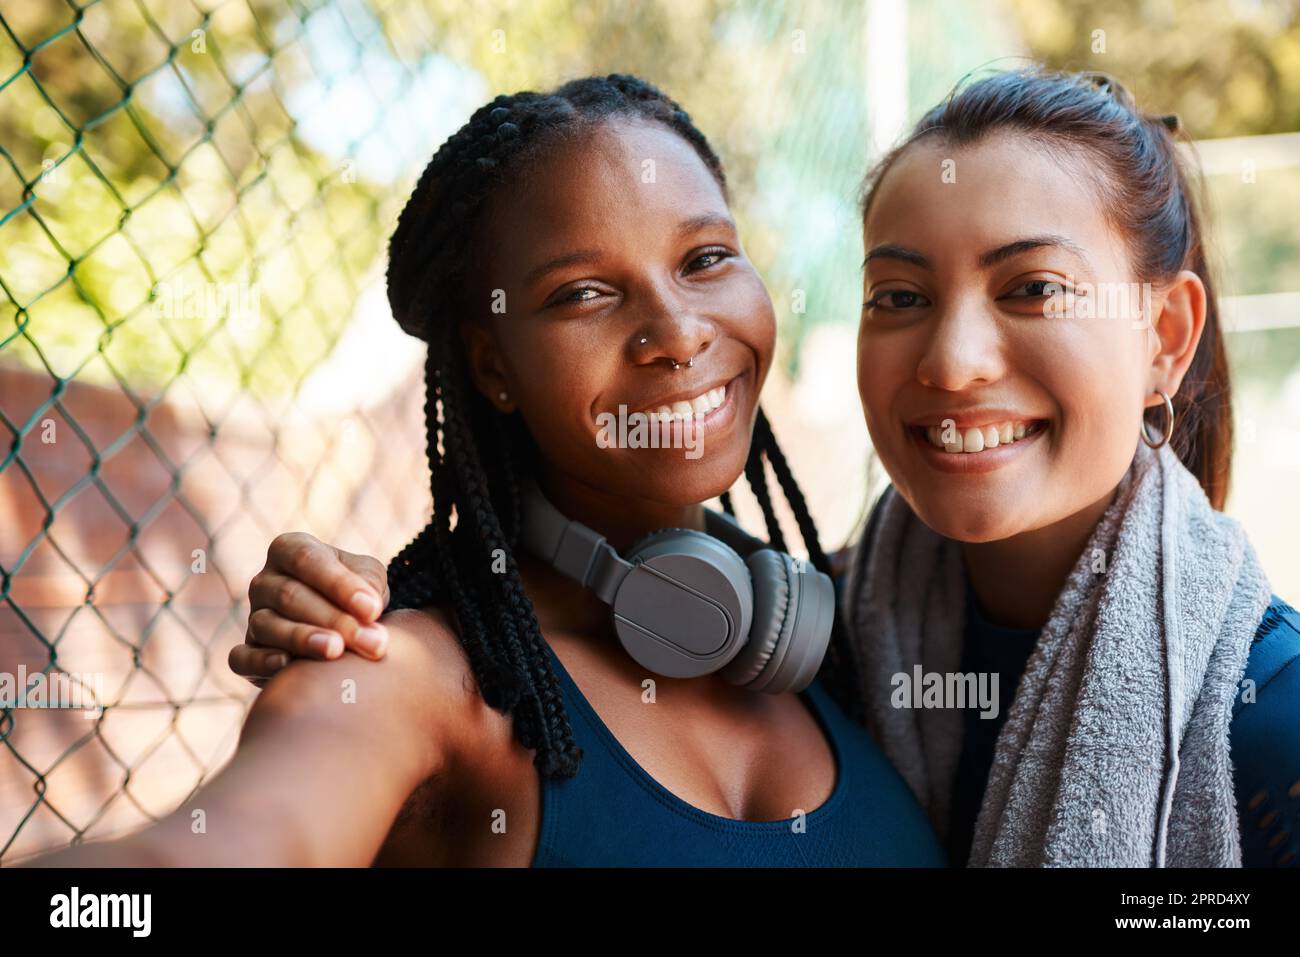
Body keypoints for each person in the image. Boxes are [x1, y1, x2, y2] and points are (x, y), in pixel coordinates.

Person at [242, 69, 1300, 868]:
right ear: (491, 362)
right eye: (898, 295)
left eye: (1031, 288)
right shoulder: (856, 624)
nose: (952, 361)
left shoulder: (1265, 716)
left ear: (1165, 339)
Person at [29, 74, 944, 868]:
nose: (678, 330)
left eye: (706, 259)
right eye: (583, 292)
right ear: (492, 365)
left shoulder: (840, 622)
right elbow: (231, 841)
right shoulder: (411, 675)